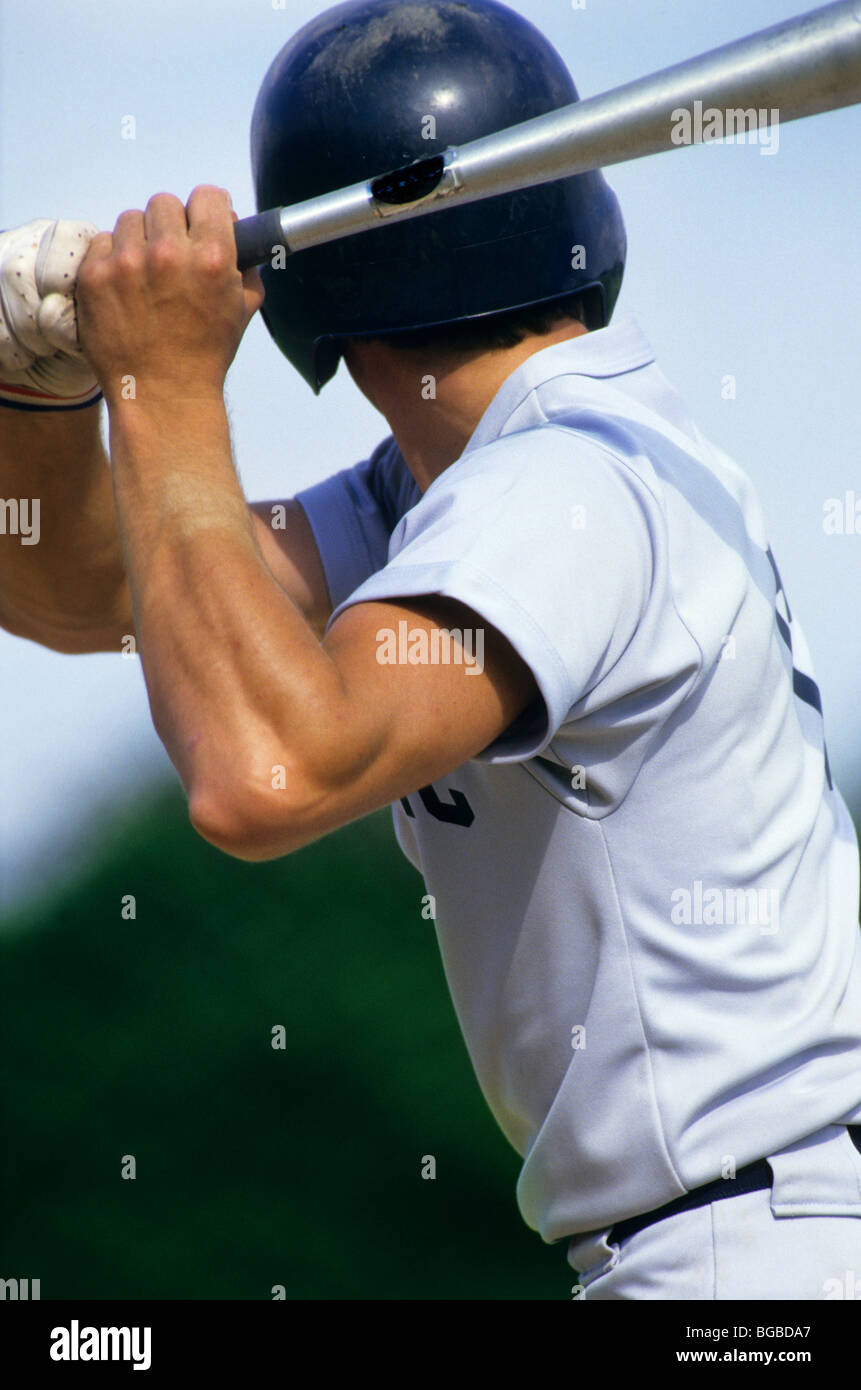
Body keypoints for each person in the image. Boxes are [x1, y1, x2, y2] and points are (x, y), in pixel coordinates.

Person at [1, 0, 860, 1300]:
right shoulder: (470, 485)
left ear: (323, 301)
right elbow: (98, 591)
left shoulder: (559, 493)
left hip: (742, 1259)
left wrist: (164, 385)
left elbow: (261, 773)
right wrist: (48, 388)